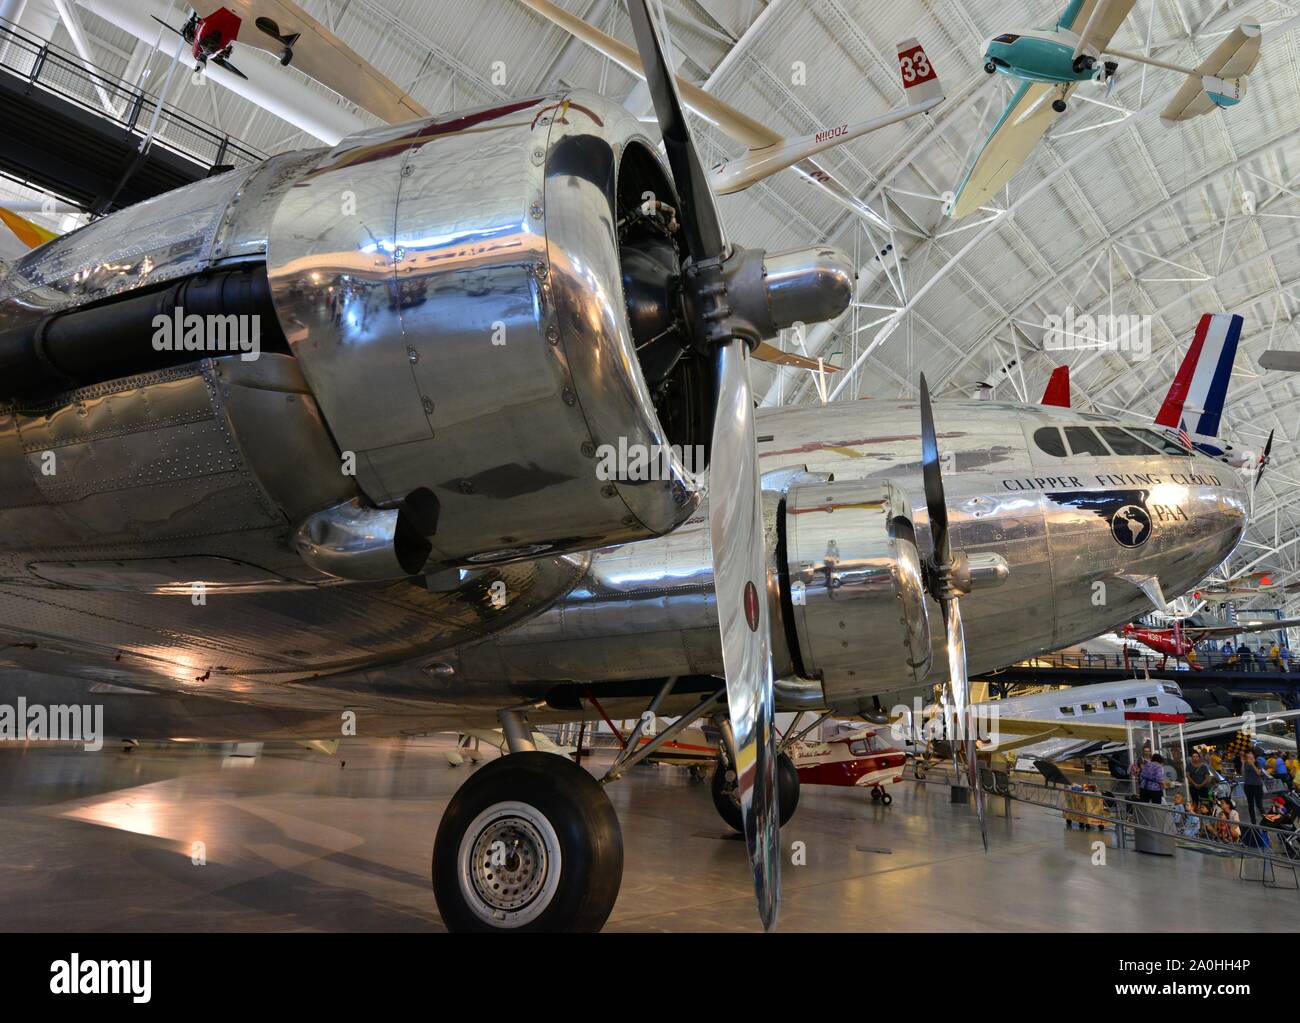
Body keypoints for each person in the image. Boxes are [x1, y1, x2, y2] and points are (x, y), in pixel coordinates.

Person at [1241, 750, 1266, 823]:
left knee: (1259, 805)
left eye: (1249, 753)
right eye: (1247, 753)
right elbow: (1243, 773)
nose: (1248, 754)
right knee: (1250, 804)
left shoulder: (1258, 762)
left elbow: (1259, 773)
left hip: (1257, 786)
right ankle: (1253, 822)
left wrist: (1252, 763)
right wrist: (1242, 763)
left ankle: (1267, 820)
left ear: (1253, 755)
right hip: (1248, 785)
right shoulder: (1245, 762)